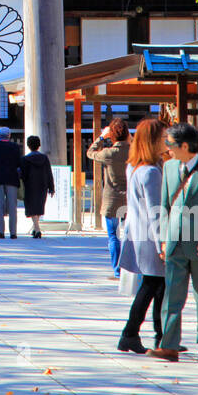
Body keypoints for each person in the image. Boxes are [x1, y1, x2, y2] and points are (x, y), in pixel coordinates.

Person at [149, 122, 198, 363]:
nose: (167, 149)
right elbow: (163, 205)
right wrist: (162, 239)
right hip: (174, 242)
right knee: (172, 293)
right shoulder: (169, 167)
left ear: (185, 145)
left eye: (170, 144)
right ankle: (169, 346)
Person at [117, 118, 168, 354]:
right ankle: (132, 333)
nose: (166, 141)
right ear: (153, 141)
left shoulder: (135, 167)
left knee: (155, 286)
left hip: (138, 234)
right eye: (163, 138)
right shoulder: (151, 173)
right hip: (151, 238)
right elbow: (156, 211)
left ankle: (158, 335)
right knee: (152, 286)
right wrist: (163, 243)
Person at [88, 117, 130, 277]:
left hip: (112, 199)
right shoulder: (134, 151)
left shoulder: (108, 153)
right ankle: (130, 267)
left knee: (113, 236)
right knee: (129, 235)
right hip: (130, 199)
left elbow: (90, 152)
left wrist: (101, 137)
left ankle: (117, 269)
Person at [0, 126, 23, 239]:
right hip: (12, 178)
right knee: (12, 206)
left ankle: (0, 231)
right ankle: (13, 233)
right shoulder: (15, 147)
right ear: (9, 135)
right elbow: (18, 163)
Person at [19, 135, 55, 238]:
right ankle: (36, 228)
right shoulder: (44, 158)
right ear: (39, 145)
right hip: (42, 184)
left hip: (30, 185)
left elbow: (23, 174)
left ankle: (37, 228)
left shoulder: (25, 159)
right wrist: (51, 187)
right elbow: (49, 172)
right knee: (39, 206)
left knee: (31, 207)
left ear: (28, 145)